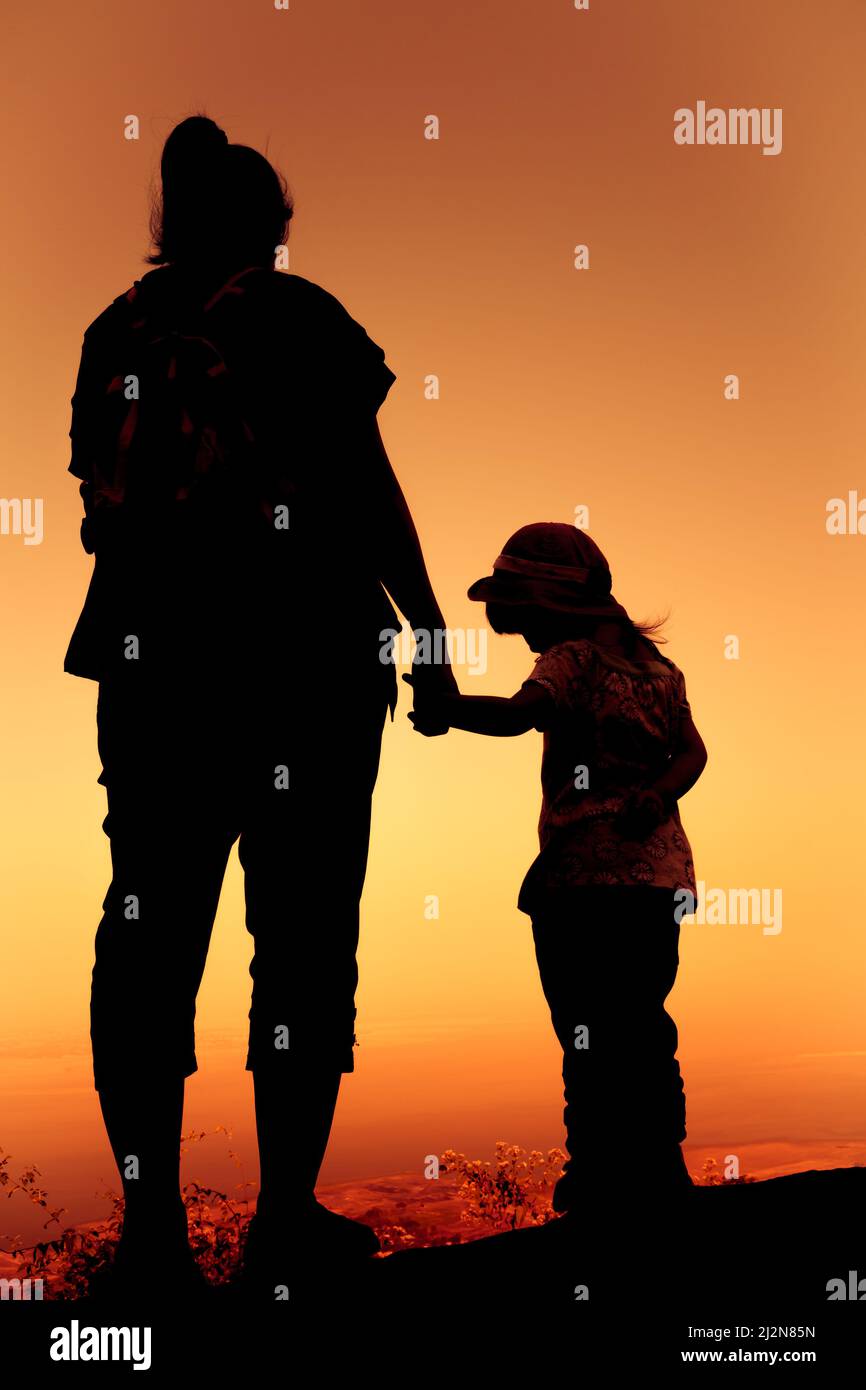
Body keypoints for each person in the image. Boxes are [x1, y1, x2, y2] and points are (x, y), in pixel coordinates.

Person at [65, 114, 455, 1294]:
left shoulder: (112, 334)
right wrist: (428, 635)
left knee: (147, 932)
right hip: (305, 663)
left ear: (168, 226)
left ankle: (149, 1230)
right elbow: (366, 487)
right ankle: (282, 1219)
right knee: (298, 938)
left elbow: (98, 504)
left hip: (151, 667)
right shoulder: (301, 317)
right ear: (271, 228)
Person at [406, 522, 707, 1209]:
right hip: (658, 883)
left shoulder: (571, 661)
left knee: (583, 1027)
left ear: (548, 605)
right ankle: (660, 1165)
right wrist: (658, 795)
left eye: (523, 623)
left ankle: (595, 1171)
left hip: (580, 883)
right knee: (643, 1022)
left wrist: (449, 710)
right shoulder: (661, 673)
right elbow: (694, 754)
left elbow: (518, 717)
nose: (528, 642)